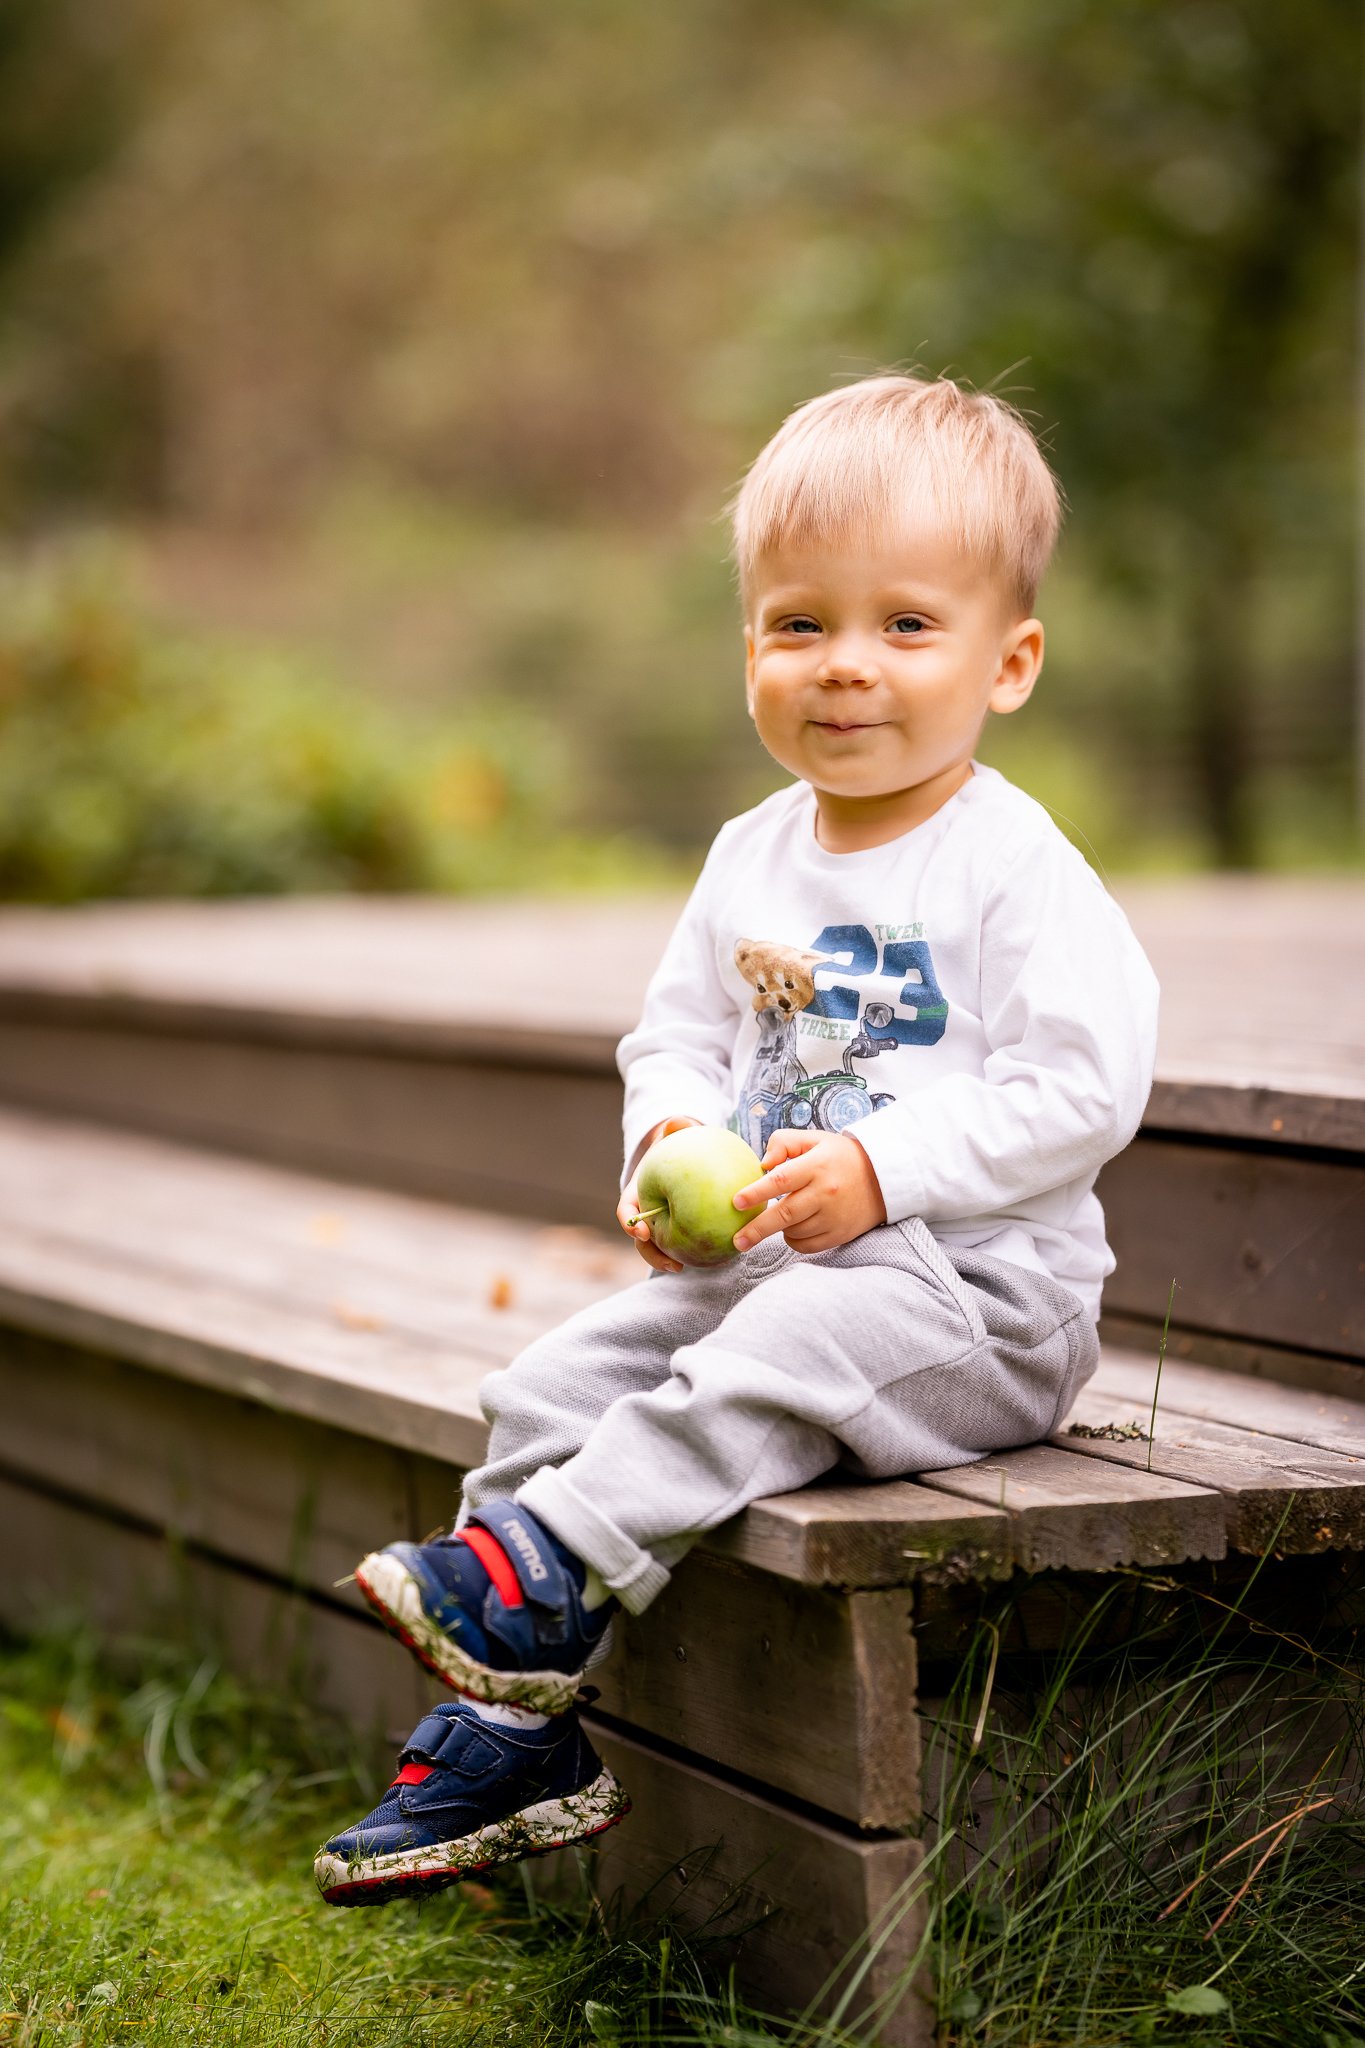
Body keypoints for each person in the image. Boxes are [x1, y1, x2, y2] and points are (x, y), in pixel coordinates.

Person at [313, 373, 1159, 1905]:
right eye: (795, 624)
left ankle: (545, 1577)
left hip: (980, 1301)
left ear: (1008, 660)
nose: (843, 668)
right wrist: (673, 1141)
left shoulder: (1011, 868)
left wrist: (888, 1171)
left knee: (775, 1353)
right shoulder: (749, 856)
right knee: (547, 1382)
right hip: (783, 1272)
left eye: (905, 625)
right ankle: (516, 1737)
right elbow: (678, 1037)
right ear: (748, 646)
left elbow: (1083, 1088)